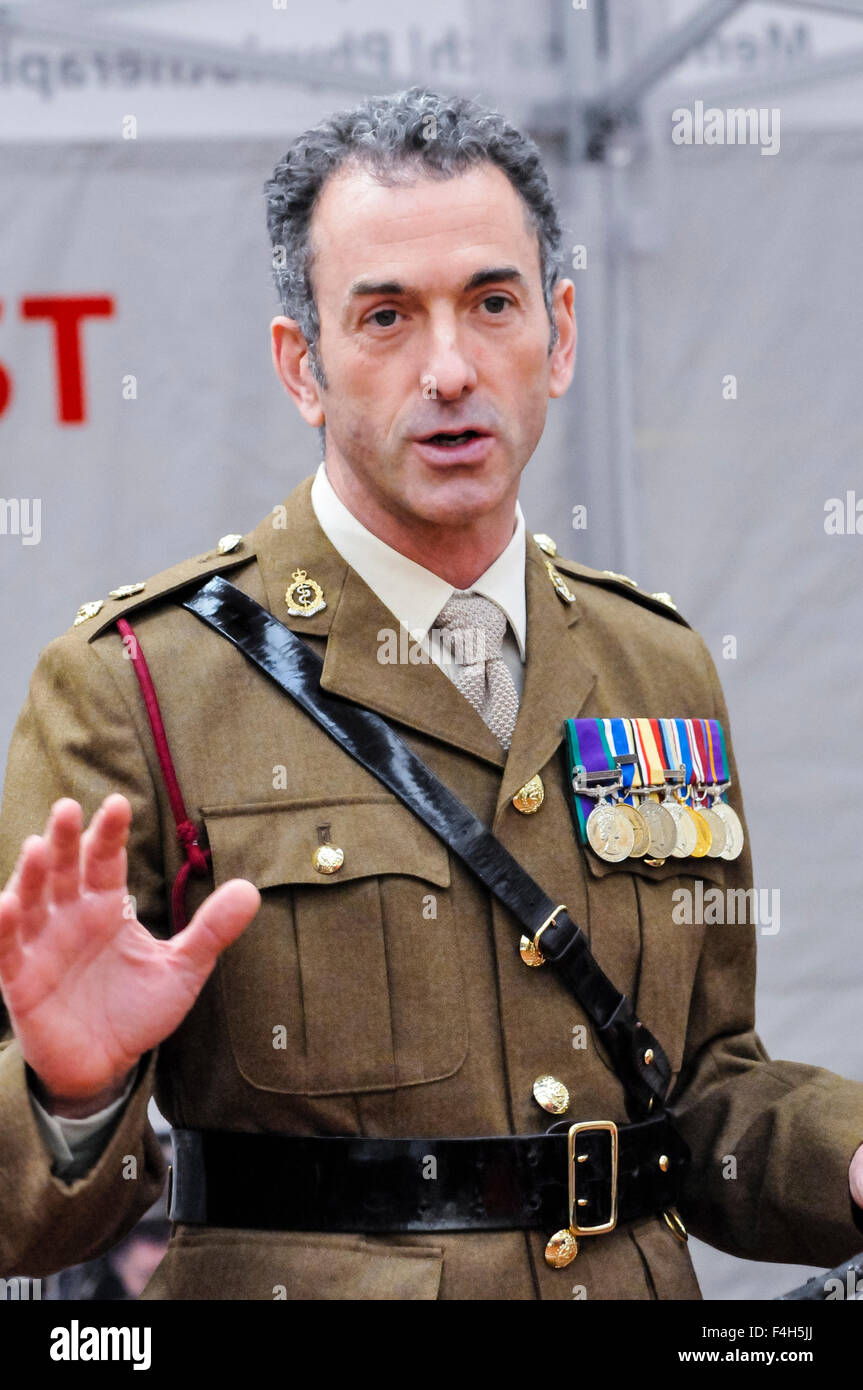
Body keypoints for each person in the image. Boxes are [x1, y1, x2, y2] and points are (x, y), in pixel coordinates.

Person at [1, 86, 862, 1302]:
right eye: (387, 316)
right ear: (302, 365)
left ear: (558, 335)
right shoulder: (139, 684)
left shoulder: (651, 662)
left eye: (492, 303)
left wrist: (850, 1155)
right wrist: (74, 1091)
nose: (450, 368)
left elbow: (706, 1088)